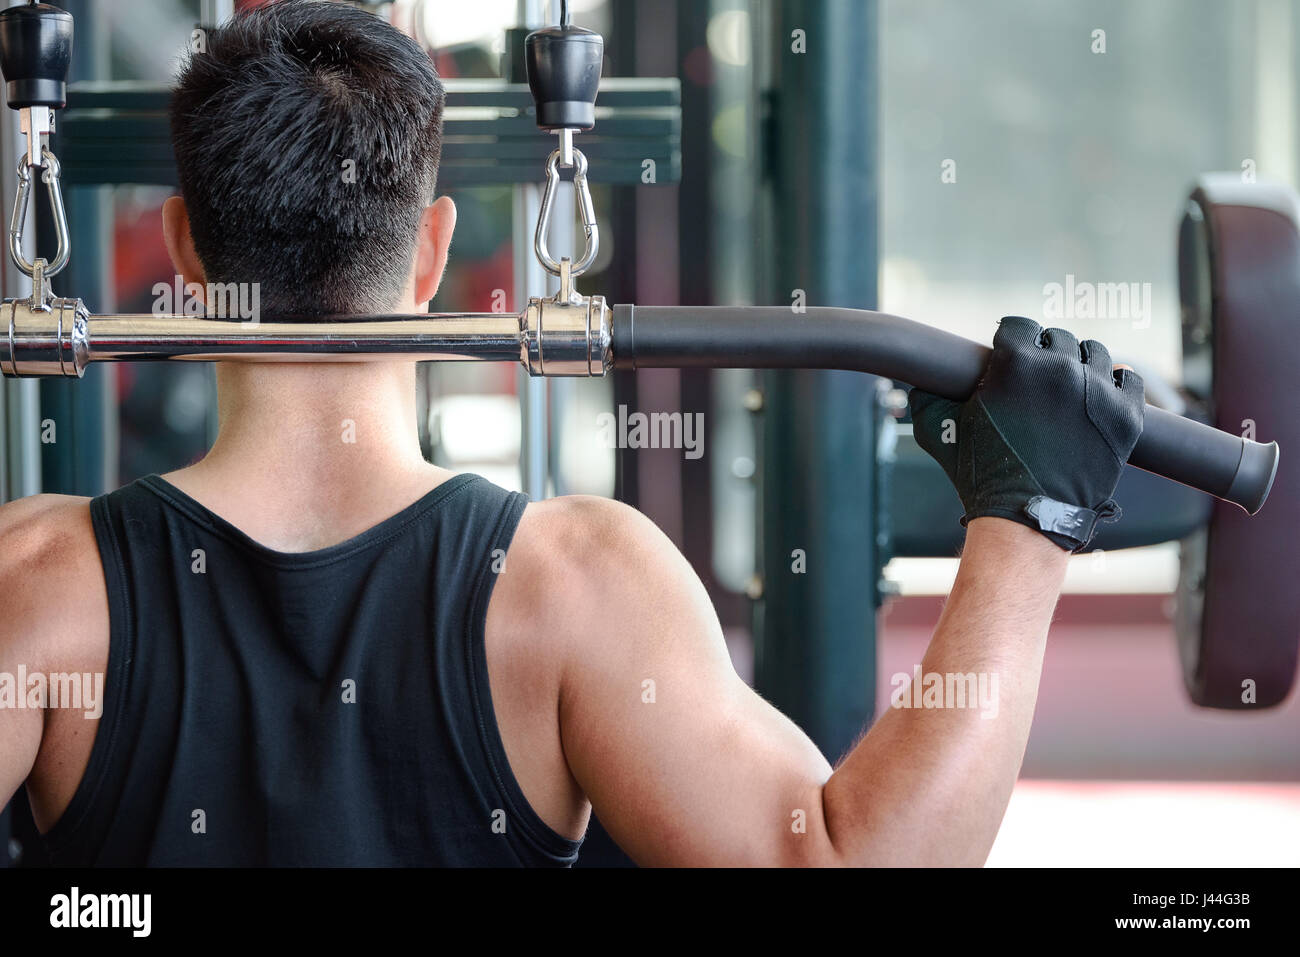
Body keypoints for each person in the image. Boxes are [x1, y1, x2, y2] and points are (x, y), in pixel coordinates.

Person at [0, 0, 1143, 866]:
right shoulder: (576, 588)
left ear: (186, 255)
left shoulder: (36, 588)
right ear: (434, 249)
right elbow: (843, 859)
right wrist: (1028, 524)